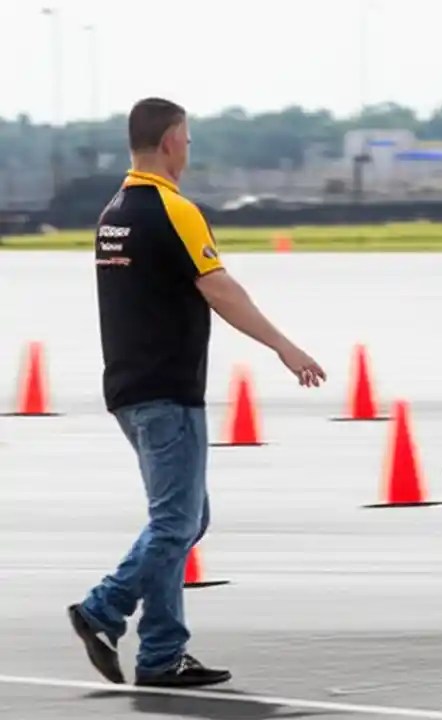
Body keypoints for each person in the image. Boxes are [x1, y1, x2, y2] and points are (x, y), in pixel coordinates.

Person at [68, 97, 327, 688]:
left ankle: (160, 652)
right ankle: (103, 609)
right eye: (186, 138)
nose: (189, 148)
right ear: (168, 142)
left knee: (184, 518)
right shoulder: (172, 208)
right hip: (166, 392)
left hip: (129, 389)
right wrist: (284, 347)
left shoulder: (115, 212)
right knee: (175, 523)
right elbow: (220, 288)